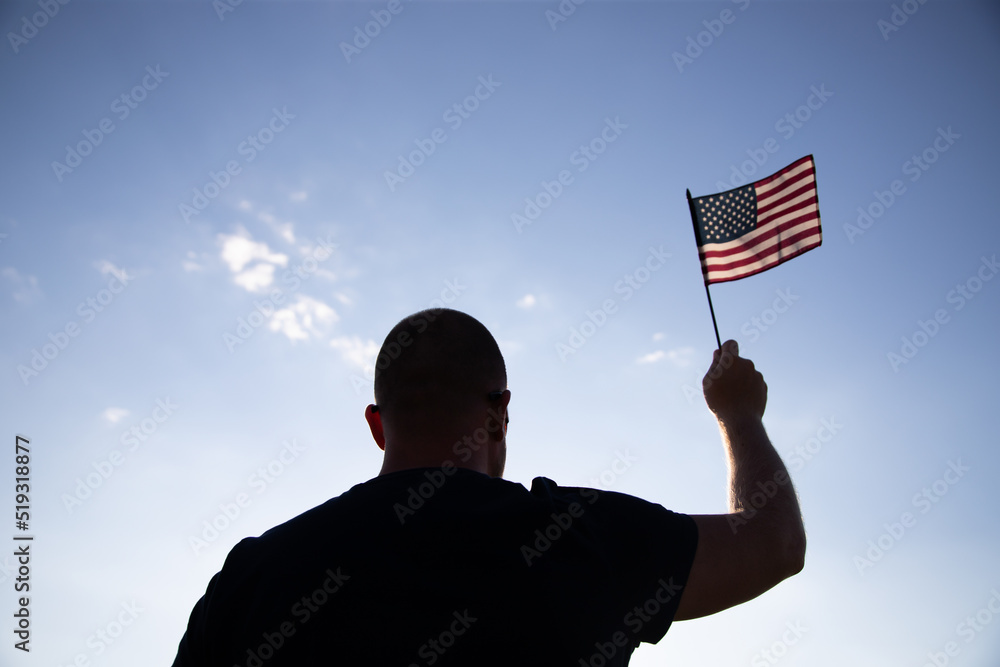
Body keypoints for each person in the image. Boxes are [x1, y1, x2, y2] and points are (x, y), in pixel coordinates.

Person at [171, 308, 805, 666]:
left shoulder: (253, 578)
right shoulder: (579, 539)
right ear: (499, 413)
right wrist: (738, 412)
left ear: (376, 423)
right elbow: (775, 543)